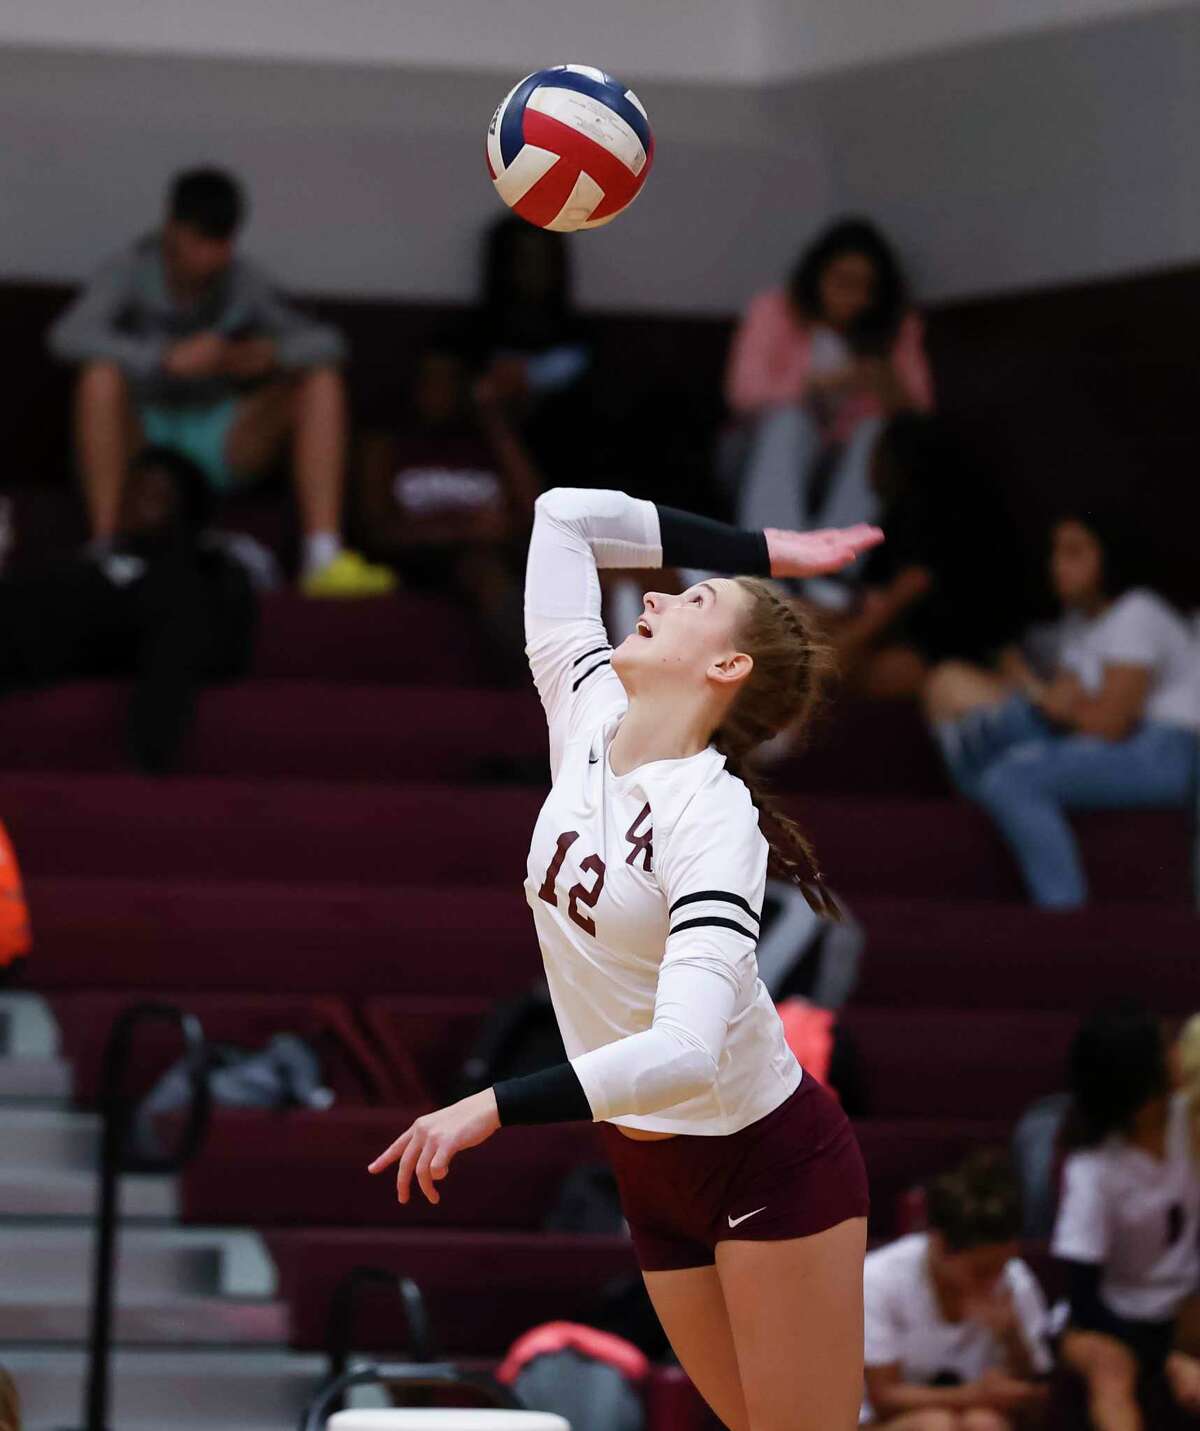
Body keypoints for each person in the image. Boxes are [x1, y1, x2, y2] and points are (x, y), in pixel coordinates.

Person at [370, 490, 885, 1430]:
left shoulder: (714, 815)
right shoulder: (584, 708)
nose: (654, 598)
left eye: (692, 601)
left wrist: (493, 1105)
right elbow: (563, 515)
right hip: (647, 1167)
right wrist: (766, 550)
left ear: (726, 665)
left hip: (765, 1162)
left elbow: (686, 1048)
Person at [47, 165, 394, 598]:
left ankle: (322, 556)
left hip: (220, 437)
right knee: (98, 377)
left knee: (320, 381)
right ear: (173, 230)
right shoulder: (130, 270)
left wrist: (266, 355)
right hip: (144, 440)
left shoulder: (242, 279)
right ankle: (107, 549)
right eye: (200, 241)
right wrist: (164, 359)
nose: (211, 256)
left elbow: (329, 342)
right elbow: (66, 336)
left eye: (222, 242)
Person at [923, 514, 1199, 908]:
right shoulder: (1081, 625)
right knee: (992, 721)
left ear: (1108, 559)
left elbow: (1108, 725)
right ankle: (974, 781)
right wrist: (1041, 697)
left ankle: (1064, 916)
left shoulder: (1137, 612)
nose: (1057, 564)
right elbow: (1061, 706)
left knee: (1011, 779)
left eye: (1075, 553)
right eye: (1055, 552)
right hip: (1126, 743)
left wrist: (1041, 696)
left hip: (1164, 752)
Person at [0, 446, 256, 772]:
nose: (140, 505)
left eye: (157, 495)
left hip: (166, 648)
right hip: (75, 646)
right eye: (134, 491)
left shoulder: (212, 568)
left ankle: (151, 764)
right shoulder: (88, 563)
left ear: (186, 507)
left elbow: (225, 643)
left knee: (177, 603)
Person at [725, 218, 933, 601]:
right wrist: (814, 385)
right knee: (790, 421)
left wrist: (882, 377)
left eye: (865, 287)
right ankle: (774, 562)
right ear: (817, 274)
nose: (852, 296)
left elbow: (918, 410)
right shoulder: (775, 310)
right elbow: (743, 394)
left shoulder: (892, 327)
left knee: (878, 434)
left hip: (841, 461)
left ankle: (831, 566)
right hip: (760, 455)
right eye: (842, 281)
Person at [1053, 1003, 1200, 1431]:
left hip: (1186, 1301)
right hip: (1112, 1319)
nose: (1179, 1053)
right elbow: (1084, 1298)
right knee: (1110, 1371)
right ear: (1142, 1087)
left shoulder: (1189, 1120)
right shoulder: (1094, 1170)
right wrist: (1168, 1358)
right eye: (1166, 1049)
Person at [356, 341, 541, 678]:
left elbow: (535, 516)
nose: (438, 392)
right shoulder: (387, 445)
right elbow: (376, 530)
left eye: (450, 382)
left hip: (500, 556)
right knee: (481, 570)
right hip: (421, 561)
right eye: (429, 381)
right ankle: (543, 678)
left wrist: (496, 422)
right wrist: (460, 529)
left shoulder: (486, 443)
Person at [861, 1150, 1051, 1429]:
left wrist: (1011, 1337)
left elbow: (1034, 1398)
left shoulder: (1014, 1281)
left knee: (985, 1424)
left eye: (1003, 1264)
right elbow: (884, 1397)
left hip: (980, 1417)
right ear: (939, 1246)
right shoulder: (878, 1279)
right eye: (982, 1270)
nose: (995, 1278)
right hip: (884, 1423)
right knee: (935, 1425)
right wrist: (973, 1395)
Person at [469, 216, 593, 475]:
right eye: (522, 260)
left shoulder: (581, 337)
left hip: (565, 462)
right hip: (483, 470)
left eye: (541, 260)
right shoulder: (469, 336)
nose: (532, 271)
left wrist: (529, 377)